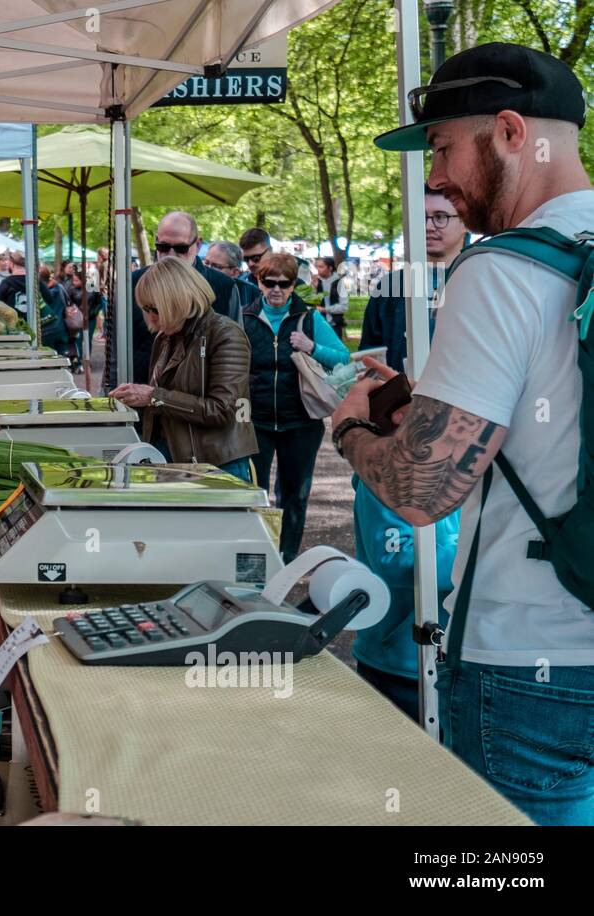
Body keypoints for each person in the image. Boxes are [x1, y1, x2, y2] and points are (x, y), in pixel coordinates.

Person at [336, 42, 594, 825]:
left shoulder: (499, 271)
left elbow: (422, 491)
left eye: (443, 149)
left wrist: (350, 429)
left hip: (523, 663)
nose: (436, 179)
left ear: (511, 131)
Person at [109, 258, 256, 481]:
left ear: (176, 301)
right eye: (146, 308)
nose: (149, 316)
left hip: (217, 463)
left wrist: (152, 397)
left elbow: (222, 409)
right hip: (174, 458)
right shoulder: (167, 337)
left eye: (154, 308)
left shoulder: (226, 335)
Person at [244, 251, 349, 562]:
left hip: (301, 421)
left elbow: (345, 359)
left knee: (294, 494)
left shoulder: (310, 319)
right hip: (257, 420)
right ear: (258, 282)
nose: (276, 289)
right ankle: (260, 556)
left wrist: (312, 347)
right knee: (256, 492)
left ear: (293, 285)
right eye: (269, 282)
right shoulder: (244, 318)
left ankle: (286, 557)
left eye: (284, 283)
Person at [350, 477, 458, 720]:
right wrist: (482, 557)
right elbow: (399, 561)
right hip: (402, 663)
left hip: (460, 659)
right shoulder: (385, 473)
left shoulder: (477, 468)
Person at [126, 211, 260, 388]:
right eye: (163, 247)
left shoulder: (223, 287)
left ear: (197, 244)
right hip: (143, 397)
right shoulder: (134, 282)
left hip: (200, 401)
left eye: (181, 248)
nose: (171, 254)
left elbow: (235, 358)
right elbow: (118, 349)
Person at [359, 185, 467, 373]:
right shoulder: (389, 288)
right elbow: (368, 358)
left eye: (440, 217)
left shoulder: (481, 283)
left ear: (465, 222)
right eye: (421, 217)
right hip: (401, 399)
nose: (428, 226)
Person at [313, 255, 349, 338]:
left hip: (334, 325)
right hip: (318, 324)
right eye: (317, 266)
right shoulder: (315, 282)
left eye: (321, 267)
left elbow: (344, 307)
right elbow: (310, 304)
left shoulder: (339, 283)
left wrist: (325, 310)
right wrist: (314, 289)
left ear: (330, 268)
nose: (318, 269)